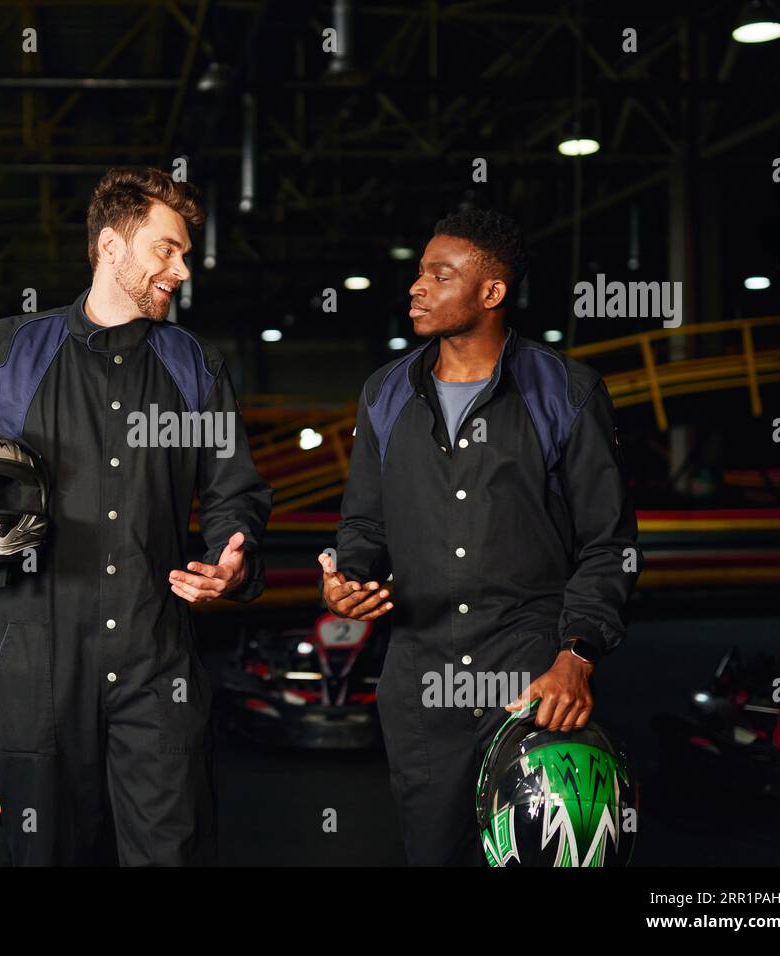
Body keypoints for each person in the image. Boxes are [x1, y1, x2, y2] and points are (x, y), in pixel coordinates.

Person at [0, 167, 272, 865]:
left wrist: (235, 554)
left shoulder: (196, 367)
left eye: (186, 252)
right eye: (167, 249)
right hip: (37, 660)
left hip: (156, 655)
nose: (182, 268)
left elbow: (235, 492)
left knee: (174, 849)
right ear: (112, 246)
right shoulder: (12, 350)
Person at [318, 208, 641, 866]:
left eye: (440, 275)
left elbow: (609, 545)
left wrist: (576, 657)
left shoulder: (568, 393)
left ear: (491, 292)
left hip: (533, 678)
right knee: (433, 854)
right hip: (419, 684)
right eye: (418, 274)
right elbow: (364, 524)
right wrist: (345, 580)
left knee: (544, 855)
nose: (417, 287)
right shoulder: (384, 392)